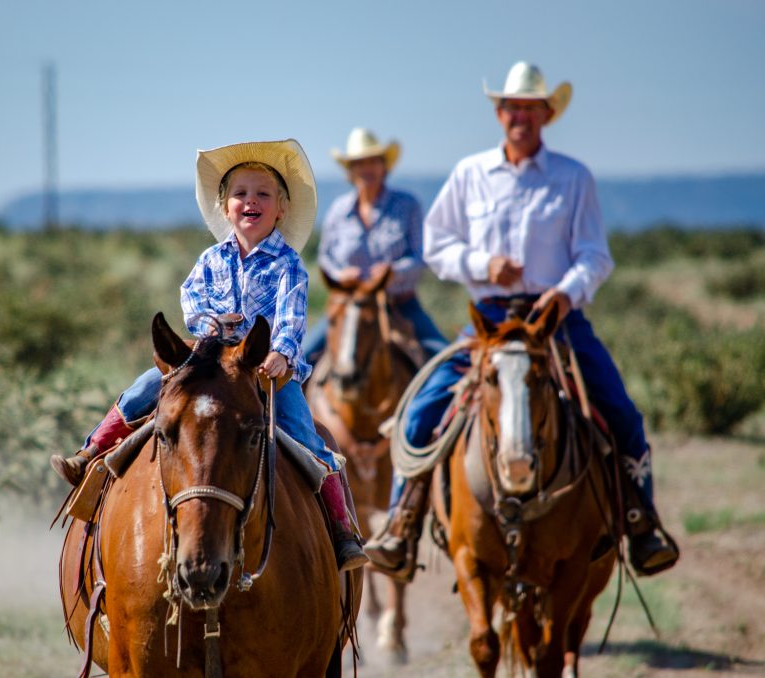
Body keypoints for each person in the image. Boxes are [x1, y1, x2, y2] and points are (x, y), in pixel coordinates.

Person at [364, 62, 679, 577]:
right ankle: (400, 526)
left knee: (621, 413)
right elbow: (437, 245)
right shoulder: (470, 174)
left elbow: (595, 255)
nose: (521, 116)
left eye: (531, 108)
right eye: (513, 107)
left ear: (547, 114)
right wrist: (481, 265)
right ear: (499, 112)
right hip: (488, 322)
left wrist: (565, 292)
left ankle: (642, 523)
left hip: (556, 321)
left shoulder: (573, 177)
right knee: (419, 413)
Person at [50, 139, 368, 572]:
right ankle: (90, 455)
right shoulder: (210, 259)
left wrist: (282, 354)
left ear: (281, 209)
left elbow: (292, 315)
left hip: (266, 374)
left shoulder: (288, 264)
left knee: (308, 440)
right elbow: (190, 301)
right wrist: (210, 325)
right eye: (240, 193)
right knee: (147, 385)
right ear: (224, 207)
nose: (250, 202)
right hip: (209, 361)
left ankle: (341, 530)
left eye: (262, 194)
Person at [303, 128, 448, 365]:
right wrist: (341, 275)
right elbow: (326, 257)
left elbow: (420, 256)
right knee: (302, 358)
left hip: (400, 305)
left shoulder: (407, 205)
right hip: (348, 304)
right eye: (359, 163)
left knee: (445, 358)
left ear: (384, 166)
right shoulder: (339, 210)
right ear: (351, 170)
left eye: (373, 161)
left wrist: (394, 271)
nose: (367, 168)